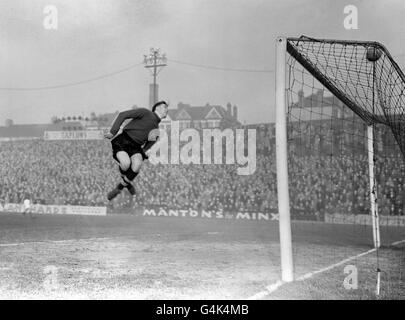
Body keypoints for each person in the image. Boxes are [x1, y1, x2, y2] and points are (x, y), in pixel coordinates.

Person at [104, 101, 169, 200]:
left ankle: (119, 187)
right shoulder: (145, 112)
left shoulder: (156, 131)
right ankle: (127, 184)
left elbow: (147, 147)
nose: (167, 109)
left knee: (137, 165)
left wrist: (145, 153)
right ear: (157, 108)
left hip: (136, 147)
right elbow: (123, 115)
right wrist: (113, 132)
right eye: (165, 107)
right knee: (126, 164)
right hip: (124, 140)